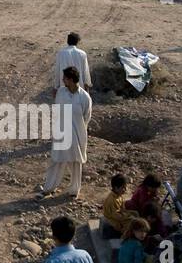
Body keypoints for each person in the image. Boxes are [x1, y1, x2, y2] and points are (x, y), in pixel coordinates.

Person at [41, 67, 92, 198]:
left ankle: (74, 190)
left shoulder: (84, 97)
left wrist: (78, 128)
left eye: (65, 78)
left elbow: (87, 116)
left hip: (77, 134)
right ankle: (49, 188)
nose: (62, 80)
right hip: (61, 132)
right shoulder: (61, 93)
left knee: (75, 163)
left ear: (70, 80)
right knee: (57, 161)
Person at [52, 32, 91, 96]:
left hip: (64, 87)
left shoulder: (60, 53)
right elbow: (86, 72)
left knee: (66, 105)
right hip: (79, 88)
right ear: (77, 42)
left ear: (68, 41)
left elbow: (57, 72)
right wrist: (87, 86)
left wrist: (56, 87)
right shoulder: (82, 54)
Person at [100, 174, 139, 239]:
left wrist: (130, 213)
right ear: (116, 188)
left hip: (120, 215)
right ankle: (126, 237)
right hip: (113, 220)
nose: (125, 189)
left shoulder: (119, 196)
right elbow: (116, 215)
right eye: (123, 187)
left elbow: (122, 209)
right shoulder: (112, 200)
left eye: (125, 187)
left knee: (135, 213)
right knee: (131, 223)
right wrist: (128, 216)